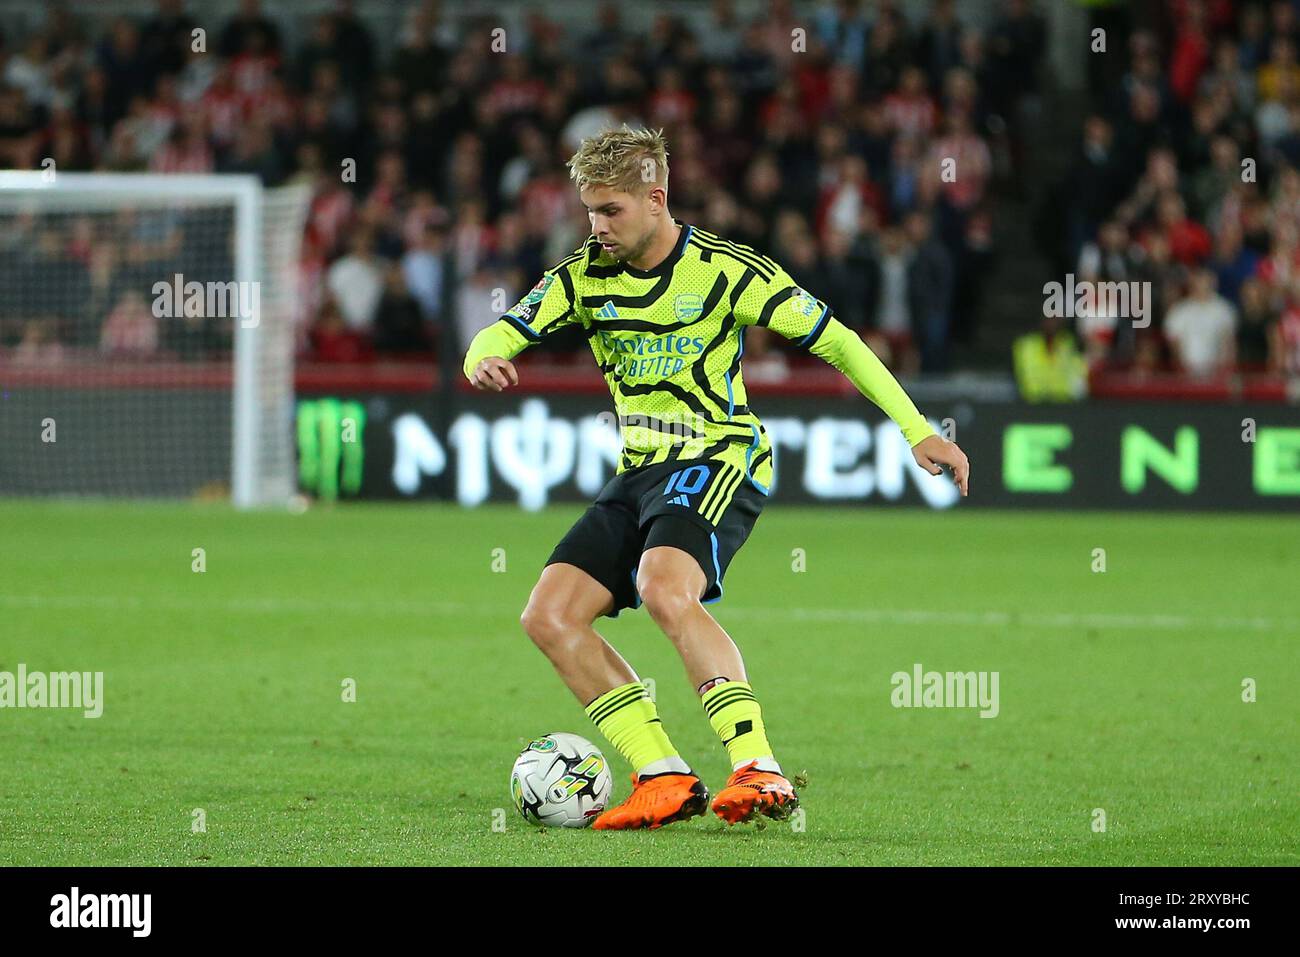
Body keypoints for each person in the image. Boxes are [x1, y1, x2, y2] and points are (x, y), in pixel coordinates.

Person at [462, 127, 969, 830]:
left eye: (609, 211)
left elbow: (839, 340)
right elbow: (500, 331)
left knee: (664, 586)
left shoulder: (728, 270)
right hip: (638, 470)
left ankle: (758, 766)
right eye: (588, 212)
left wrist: (918, 428)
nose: (595, 227)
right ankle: (663, 773)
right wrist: (479, 359)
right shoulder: (584, 276)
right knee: (548, 616)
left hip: (719, 456)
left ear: (655, 198)